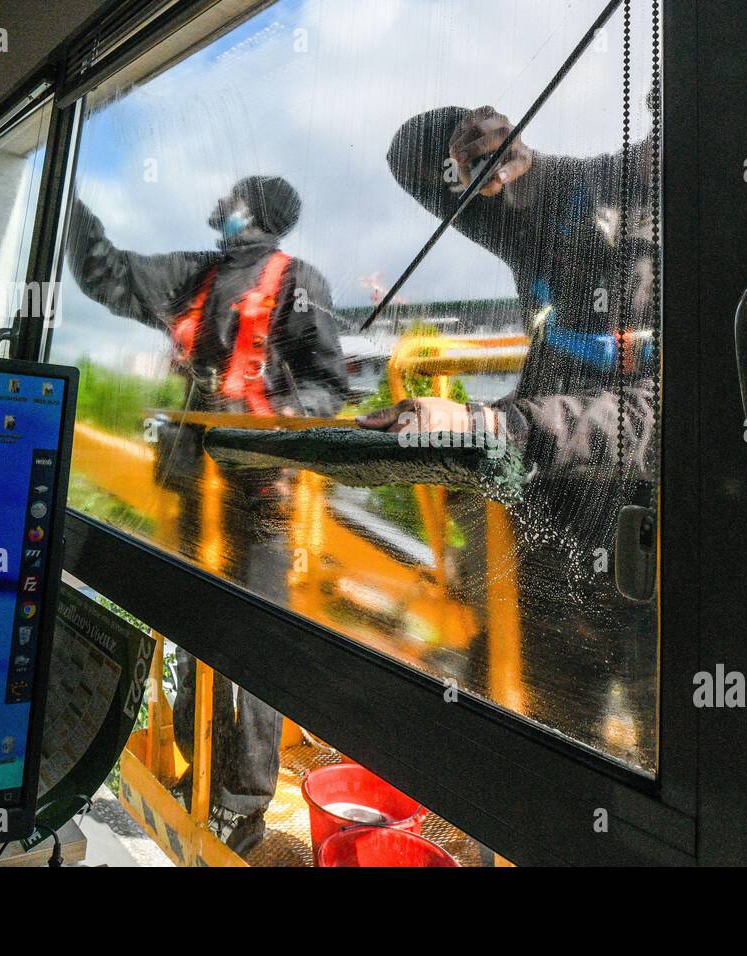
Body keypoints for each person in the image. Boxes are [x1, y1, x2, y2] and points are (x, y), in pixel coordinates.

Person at [358, 104, 660, 763]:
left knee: (669, 769)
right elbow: (407, 155)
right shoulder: (574, 190)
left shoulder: (729, 225)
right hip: (550, 536)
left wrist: (494, 425)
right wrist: (479, 144)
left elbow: (658, 419)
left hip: (656, 557)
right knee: (531, 748)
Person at [66, 175, 349, 851]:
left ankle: (242, 806)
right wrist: (67, 207)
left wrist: (273, 418)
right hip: (194, 492)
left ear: (253, 212)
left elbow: (328, 386)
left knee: (249, 650)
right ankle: (202, 771)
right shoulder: (194, 276)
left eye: (231, 198)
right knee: (194, 634)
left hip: (258, 498)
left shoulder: (295, 281)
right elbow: (105, 273)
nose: (218, 204)